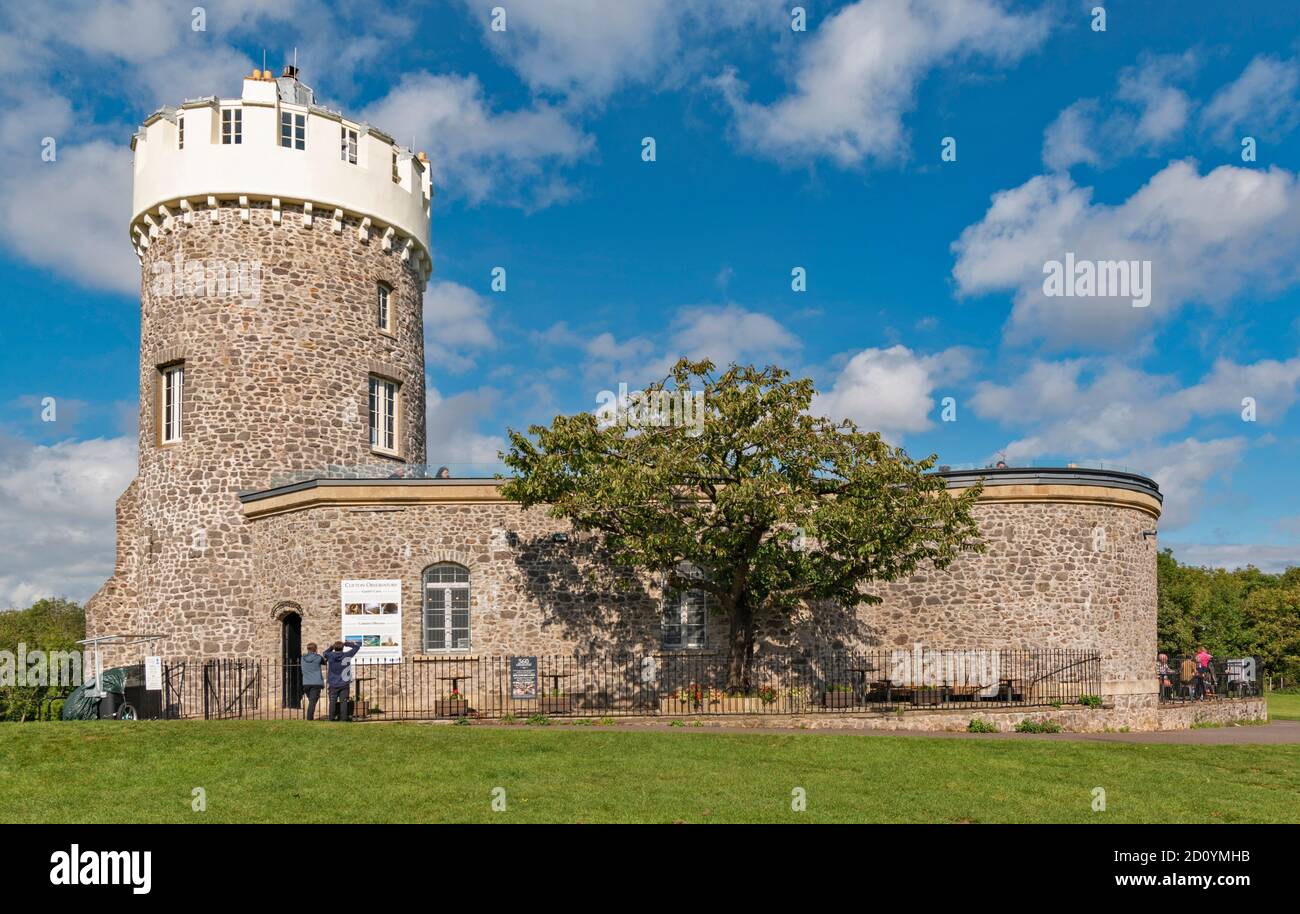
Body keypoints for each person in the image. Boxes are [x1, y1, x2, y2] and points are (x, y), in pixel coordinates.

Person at [323, 639, 361, 721]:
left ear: (335, 648)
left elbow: (324, 653)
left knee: (332, 701)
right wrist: (346, 643)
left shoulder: (330, 655)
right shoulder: (347, 655)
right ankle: (343, 718)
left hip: (333, 682)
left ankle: (331, 718)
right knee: (344, 701)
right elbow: (357, 647)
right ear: (342, 648)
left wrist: (331, 647)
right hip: (344, 682)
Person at [301, 642, 324, 720]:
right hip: (316, 683)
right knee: (312, 702)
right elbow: (324, 662)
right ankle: (309, 719)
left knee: (311, 700)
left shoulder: (302, 658)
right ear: (315, 649)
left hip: (306, 683)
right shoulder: (318, 657)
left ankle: (309, 717)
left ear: (308, 649)